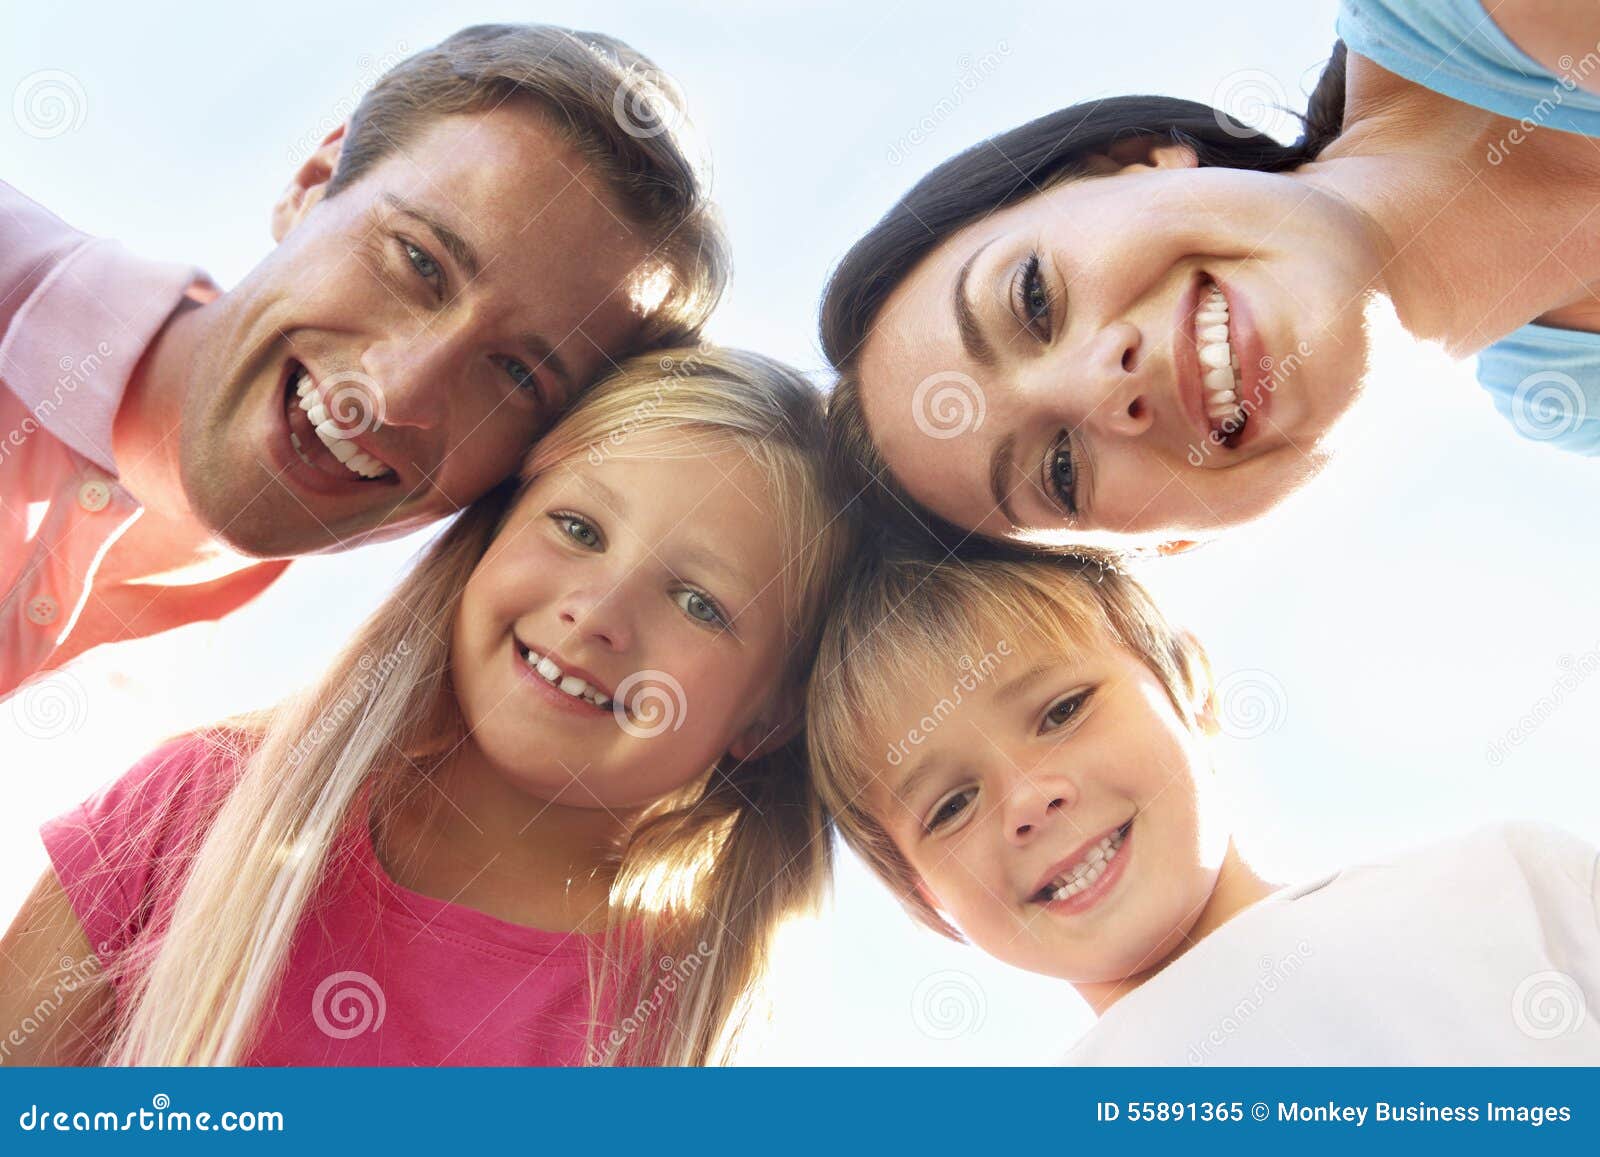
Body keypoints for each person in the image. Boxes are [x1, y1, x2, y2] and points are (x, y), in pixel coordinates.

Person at [0, 348, 854, 1065]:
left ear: (768, 716)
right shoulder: (203, 806)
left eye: (700, 602)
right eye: (579, 528)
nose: (595, 615)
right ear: (495, 530)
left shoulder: (678, 1030)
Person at [0, 22, 727, 700]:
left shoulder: (293, 702)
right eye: (418, 261)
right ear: (312, 183)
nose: (392, 391)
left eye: (515, 375)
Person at [820, 0, 1600, 552]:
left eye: (1033, 297)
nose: (1100, 388)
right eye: (1060, 471)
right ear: (1180, 541)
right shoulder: (1569, 405)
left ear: (1130, 161)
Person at [804, 545, 1600, 1062]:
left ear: (1189, 683)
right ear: (923, 900)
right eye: (950, 806)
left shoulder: (1507, 884)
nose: (1030, 798)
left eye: (1063, 710)